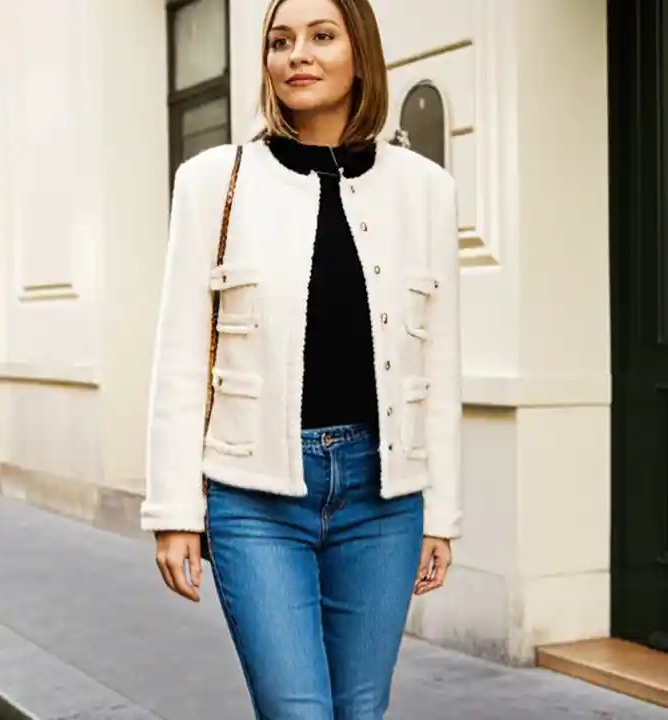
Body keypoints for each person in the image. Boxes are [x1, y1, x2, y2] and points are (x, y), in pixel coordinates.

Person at [142, 0, 462, 716]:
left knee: (361, 708)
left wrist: (441, 512)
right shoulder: (212, 181)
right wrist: (174, 509)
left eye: (322, 37)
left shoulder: (425, 190)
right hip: (254, 497)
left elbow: (439, 363)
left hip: (383, 500)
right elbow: (180, 352)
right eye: (280, 41)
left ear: (360, 54)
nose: (298, 55)